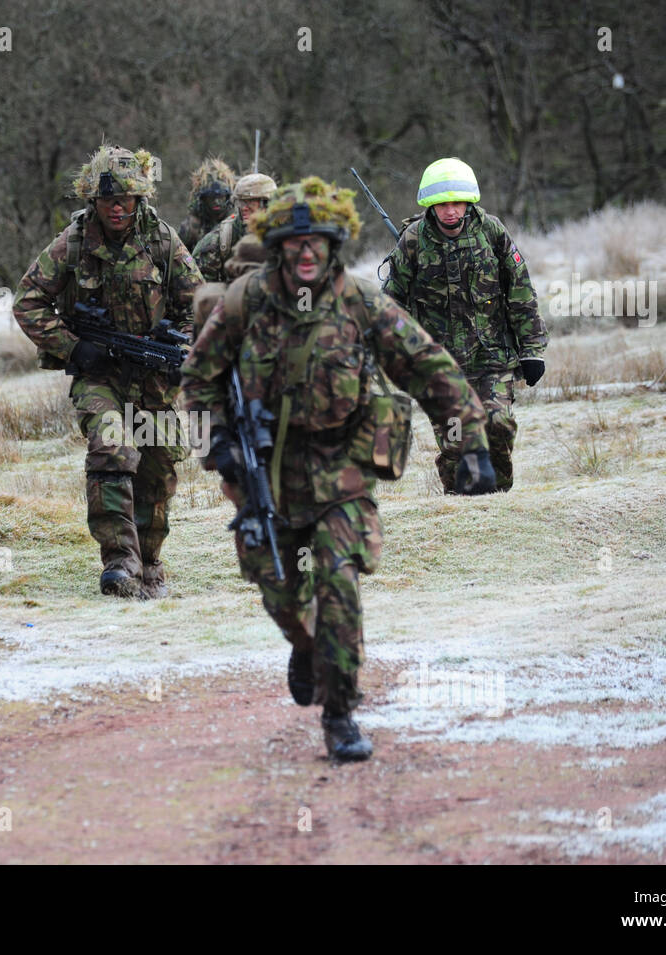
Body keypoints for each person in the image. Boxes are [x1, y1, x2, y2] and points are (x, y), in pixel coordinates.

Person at [180, 177, 495, 761]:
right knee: (279, 590)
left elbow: (429, 367)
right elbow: (198, 380)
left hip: (342, 469)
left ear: (334, 246)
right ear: (275, 246)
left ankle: (342, 715)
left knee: (339, 585)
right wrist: (216, 443)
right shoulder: (243, 301)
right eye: (294, 245)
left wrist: (471, 442)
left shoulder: (359, 301)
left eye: (317, 244)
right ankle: (305, 646)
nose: (305, 255)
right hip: (266, 473)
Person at [13, 144, 203, 599]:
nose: (117, 207)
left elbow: (201, 303)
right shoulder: (73, 243)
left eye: (127, 199)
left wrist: (177, 339)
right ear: (91, 201)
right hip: (99, 376)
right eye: (107, 200)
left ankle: (149, 562)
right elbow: (27, 301)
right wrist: (75, 349)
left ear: (141, 199)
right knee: (111, 449)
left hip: (152, 375)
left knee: (158, 465)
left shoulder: (162, 240)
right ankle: (120, 562)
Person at [382, 157, 547, 492]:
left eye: (457, 202)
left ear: (469, 200)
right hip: (439, 364)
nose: (451, 211)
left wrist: (531, 350)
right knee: (455, 439)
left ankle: (497, 500)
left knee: (498, 425)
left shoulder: (492, 232)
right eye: (443, 204)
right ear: (431, 204)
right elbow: (391, 306)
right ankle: (459, 503)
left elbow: (520, 291)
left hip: (492, 359)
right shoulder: (413, 241)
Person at [191, 173, 277, 284]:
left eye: (250, 201)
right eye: (241, 202)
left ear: (267, 203)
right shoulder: (218, 239)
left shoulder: (286, 235)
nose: (244, 208)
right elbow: (198, 290)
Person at [177, 157, 237, 252]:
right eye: (211, 198)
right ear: (203, 199)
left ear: (228, 197)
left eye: (220, 197)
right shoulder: (191, 227)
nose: (216, 202)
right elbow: (180, 259)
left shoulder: (236, 221)